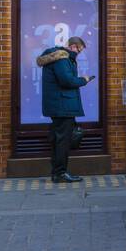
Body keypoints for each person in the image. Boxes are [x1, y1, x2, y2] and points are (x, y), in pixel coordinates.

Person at [37, 36, 94, 184]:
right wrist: (84, 80)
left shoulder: (59, 58)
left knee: (59, 140)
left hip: (60, 105)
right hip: (63, 106)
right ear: (73, 46)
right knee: (62, 141)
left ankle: (58, 172)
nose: (79, 53)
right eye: (79, 50)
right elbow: (67, 81)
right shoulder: (62, 59)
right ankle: (60, 173)